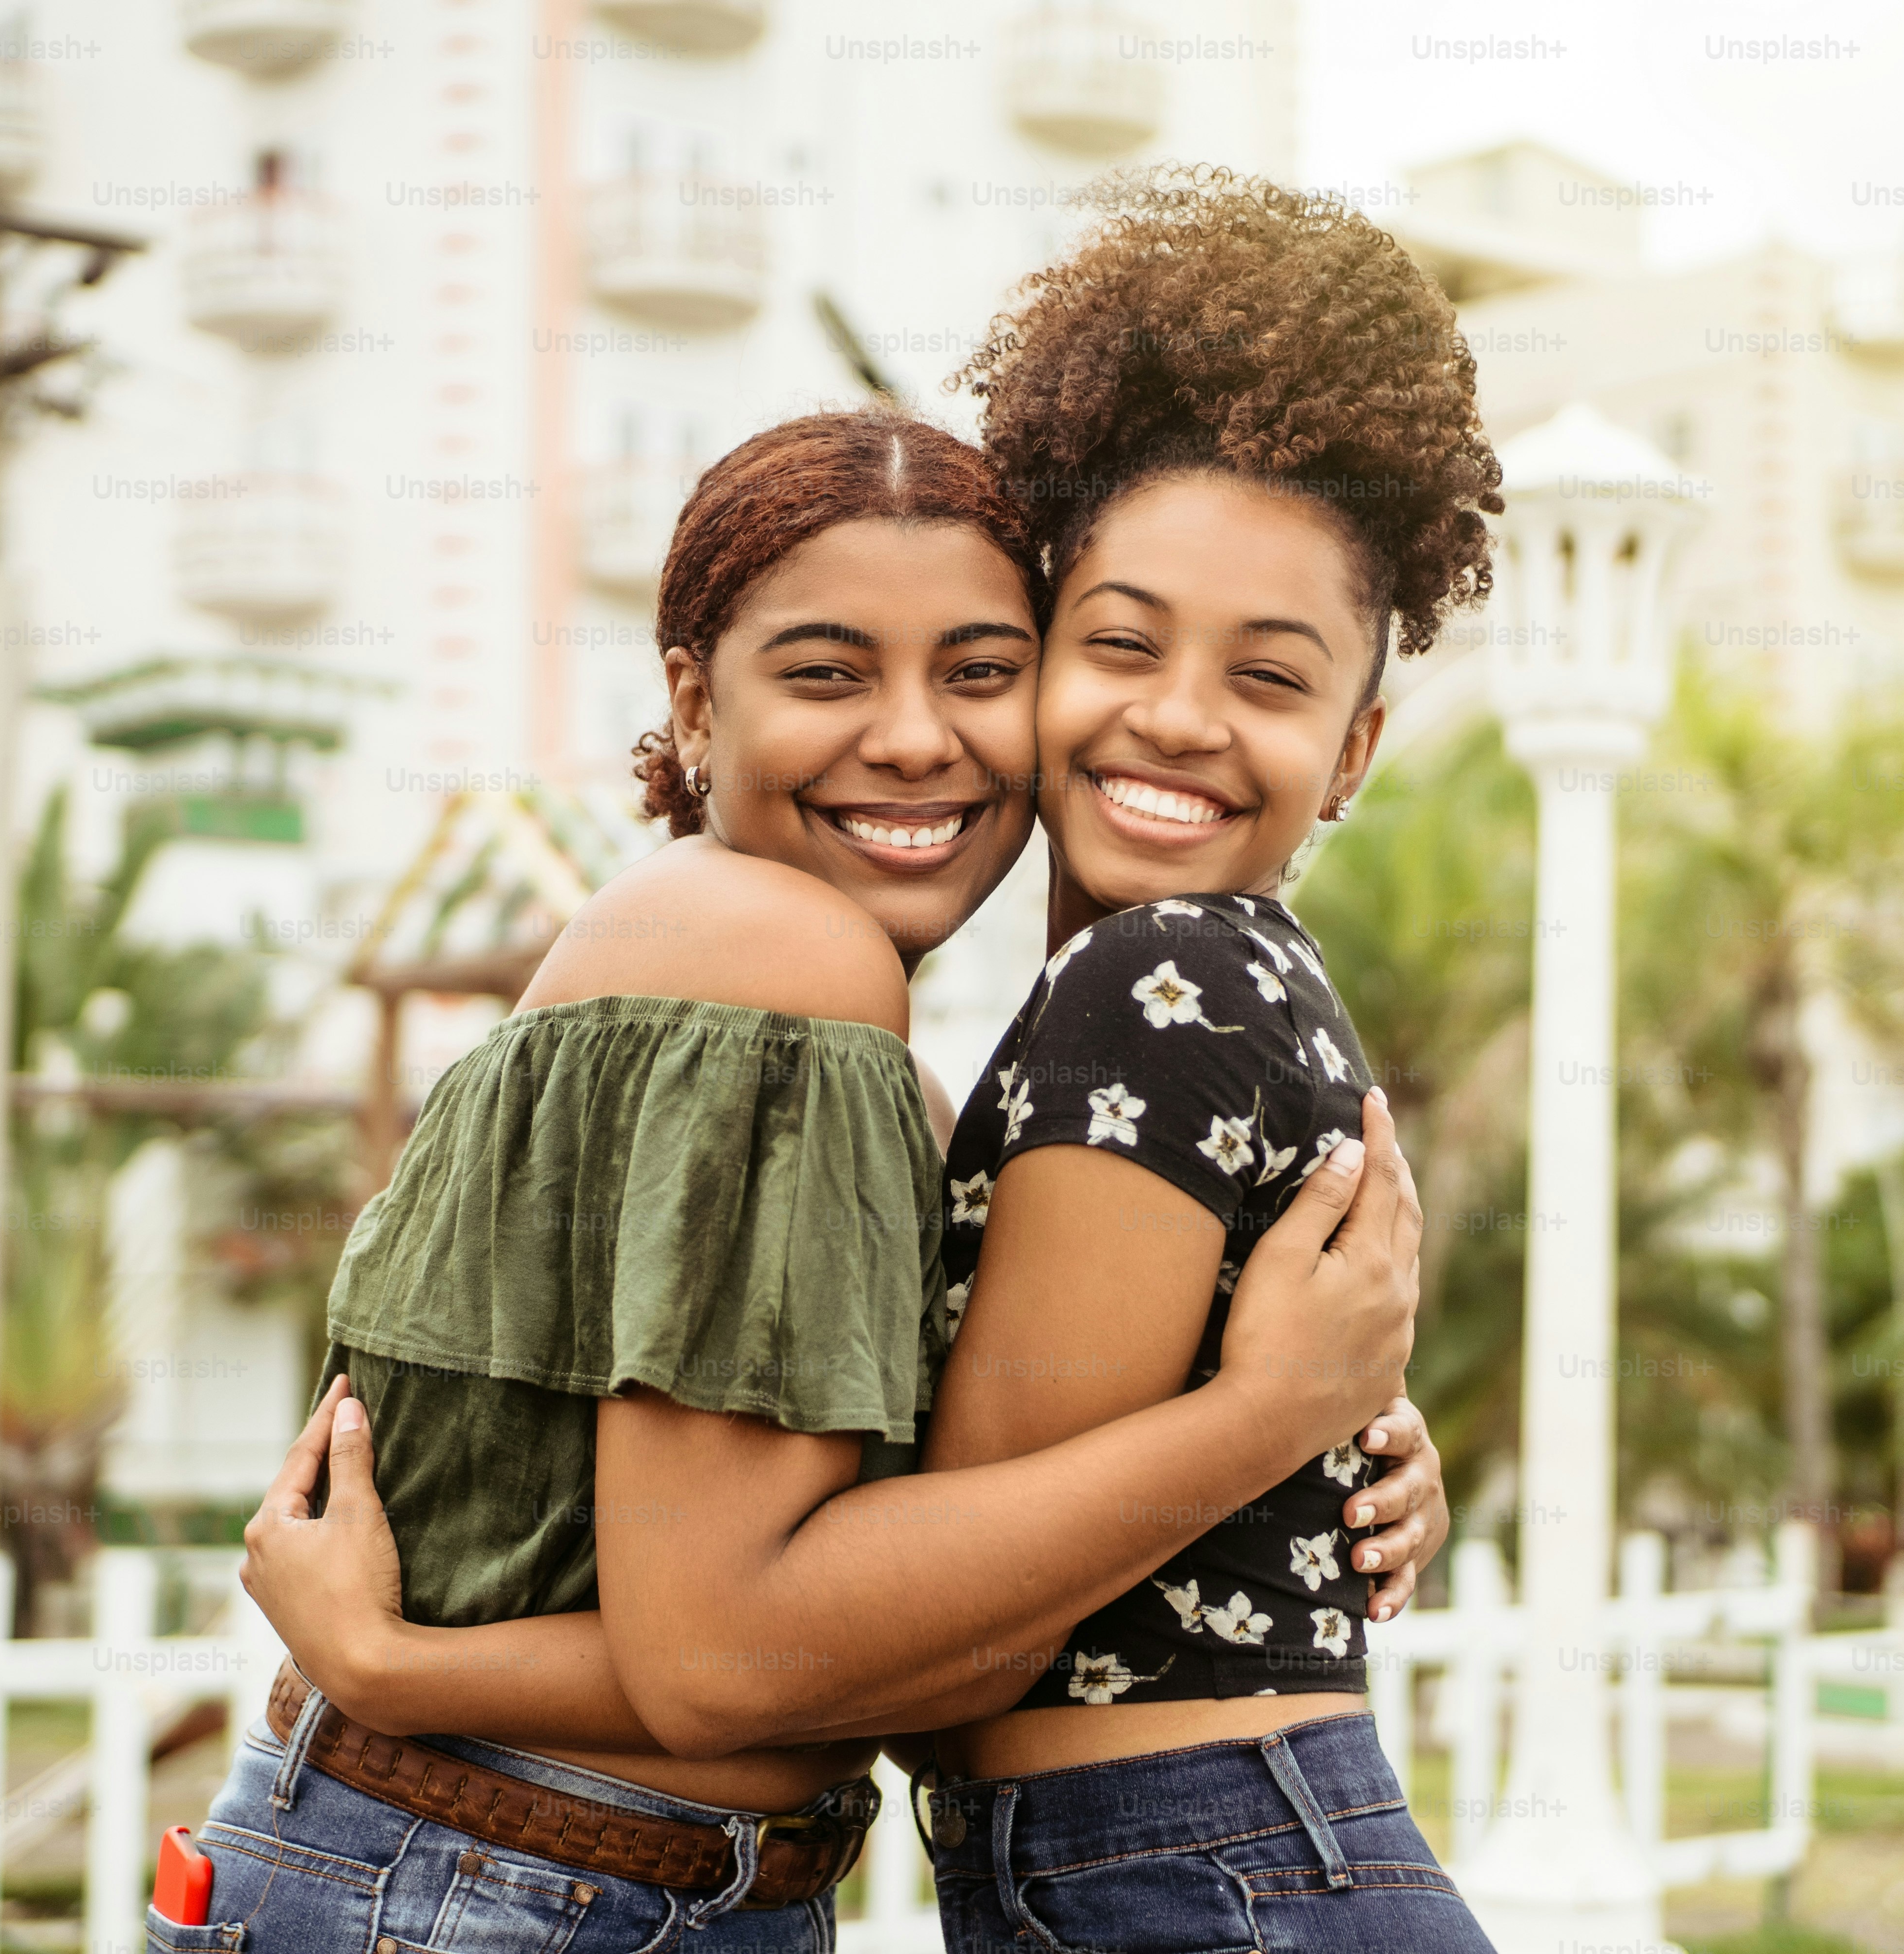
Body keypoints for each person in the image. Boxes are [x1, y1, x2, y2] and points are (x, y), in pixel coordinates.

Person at [168, 407, 1441, 1954]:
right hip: (501, 1886)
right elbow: (725, 1658)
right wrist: (1261, 1423)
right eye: (829, 674)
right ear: (697, 708)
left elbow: (879, 1582)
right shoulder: (781, 963)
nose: (913, 739)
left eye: (980, 672)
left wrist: (1305, 1462)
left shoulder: (837, 1044)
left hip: (529, 1877)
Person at [911, 165, 1508, 1951]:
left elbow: (963, 1624)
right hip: (1219, 1865)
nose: (1177, 716)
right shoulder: (1211, 985)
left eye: (1269, 677)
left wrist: (408, 1663)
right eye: (1119, 642)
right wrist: (1311, 1435)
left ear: (1354, 751)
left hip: (1184, 1874)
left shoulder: (1163, 983)